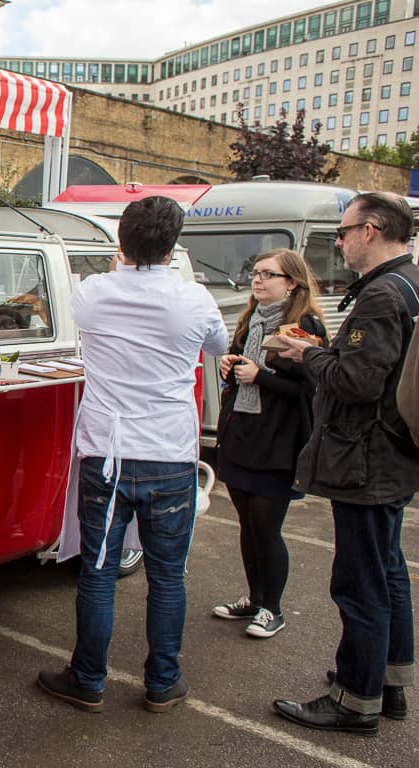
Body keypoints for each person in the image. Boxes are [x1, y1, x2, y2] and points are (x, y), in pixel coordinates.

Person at [36, 196, 227, 714]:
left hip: (108, 450)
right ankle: (163, 681)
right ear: (173, 246)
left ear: (121, 242)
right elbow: (217, 346)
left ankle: (87, 678)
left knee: (99, 570)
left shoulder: (93, 292)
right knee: (167, 575)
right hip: (169, 452)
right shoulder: (194, 299)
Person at [271, 191, 419, 736]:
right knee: (388, 570)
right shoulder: (410, 282)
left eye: (344, 231)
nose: (339, 242)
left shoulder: (382, 294)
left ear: (371, 231)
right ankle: (388, 683)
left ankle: (356, 701)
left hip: (367, 459)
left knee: (360, 583)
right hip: (396, 454)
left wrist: (305, 353)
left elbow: (356, 382)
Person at [211, 249, 327, 639]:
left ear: (291, 282)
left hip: (278, 442)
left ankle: (273, 609)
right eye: (255, 273)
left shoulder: (304, 325)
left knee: (266, 527)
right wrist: (230, 366)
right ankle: (255, 598)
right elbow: (239, 367)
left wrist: (259, 376)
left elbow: (311, 387)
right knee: (247, 525)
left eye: (268, 274)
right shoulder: (250, 320)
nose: (257, 280)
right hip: (242, 433)